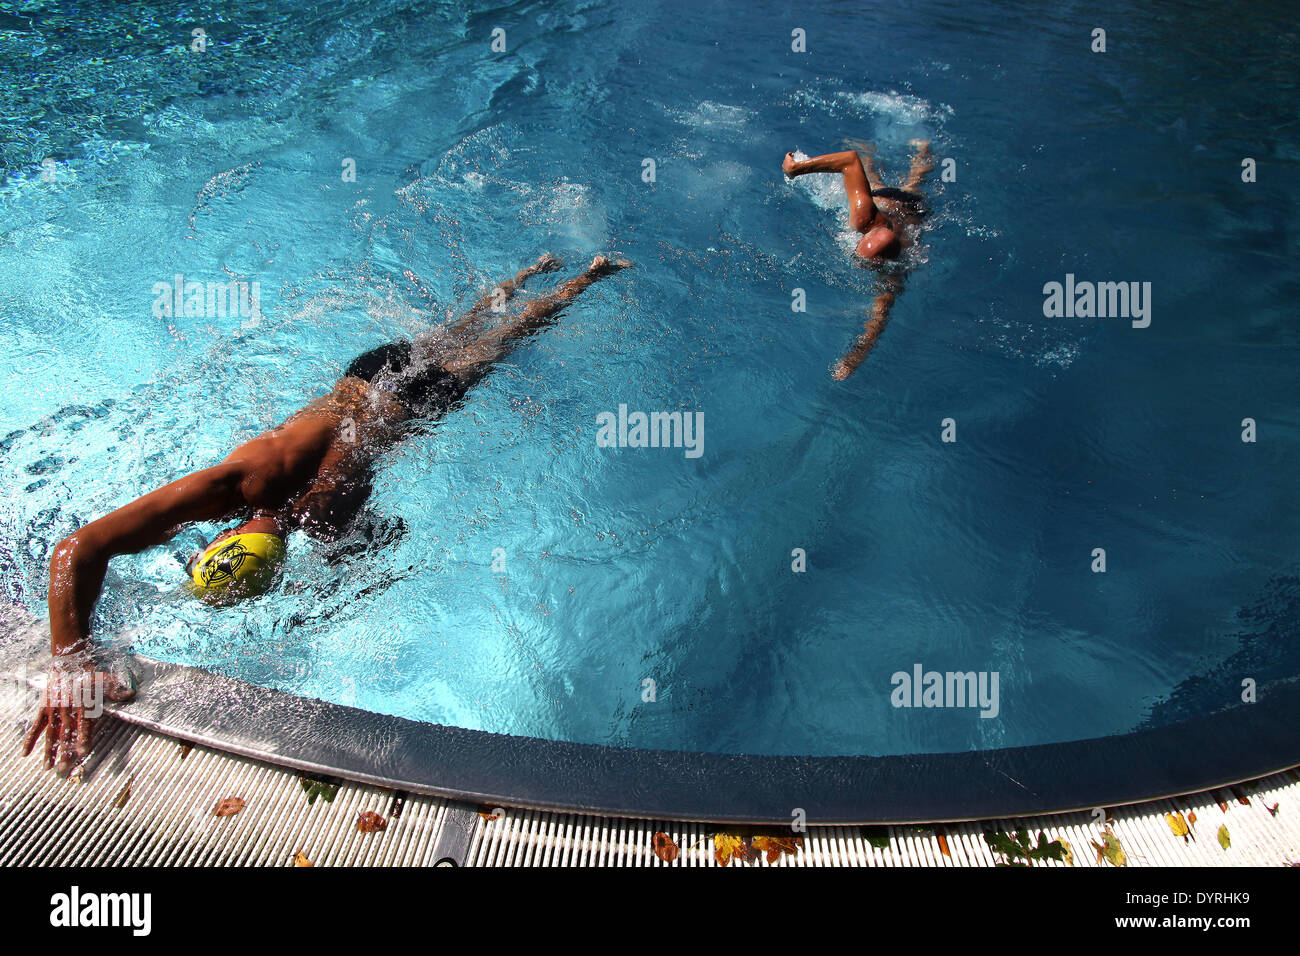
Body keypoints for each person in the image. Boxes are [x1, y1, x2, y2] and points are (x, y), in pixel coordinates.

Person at [21, 253, 632, 773]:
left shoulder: (289, 497)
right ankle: (542, 268)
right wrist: (70, 659)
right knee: (465, 328)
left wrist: (73, 662)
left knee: (503, 341)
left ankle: (585, 278)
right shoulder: (257, 489)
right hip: (371, 372)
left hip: (412, 398)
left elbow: (389, 543)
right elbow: (77, 548)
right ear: (226, 537)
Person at [782, 140, 934, 378]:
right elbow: (850, 159)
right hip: (884, 202)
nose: (857, 261)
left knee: (915, 182)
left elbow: (877, 324)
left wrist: (852, 360)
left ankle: (923, 151)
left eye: (864, 262)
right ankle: (877, 153)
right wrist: (796, 169)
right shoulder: (864, 217)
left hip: (910, 211)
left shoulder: (894, 274)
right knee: (873, 180)